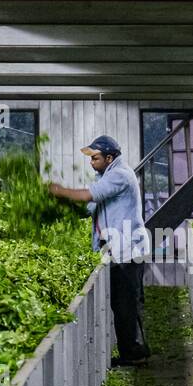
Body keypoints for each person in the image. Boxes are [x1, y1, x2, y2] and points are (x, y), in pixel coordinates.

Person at [49, 135, 151, 367]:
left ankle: (135, 354)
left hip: (127, 249)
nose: (91, 162)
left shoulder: (120, 175)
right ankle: (131, 351)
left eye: (94, 157)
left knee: (127, 302)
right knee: (121, 302)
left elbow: (87, 195)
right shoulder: (104, 176)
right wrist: (60, 207)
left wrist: (59, 190)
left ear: (109, 157)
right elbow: (89, 207)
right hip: (116, 249)